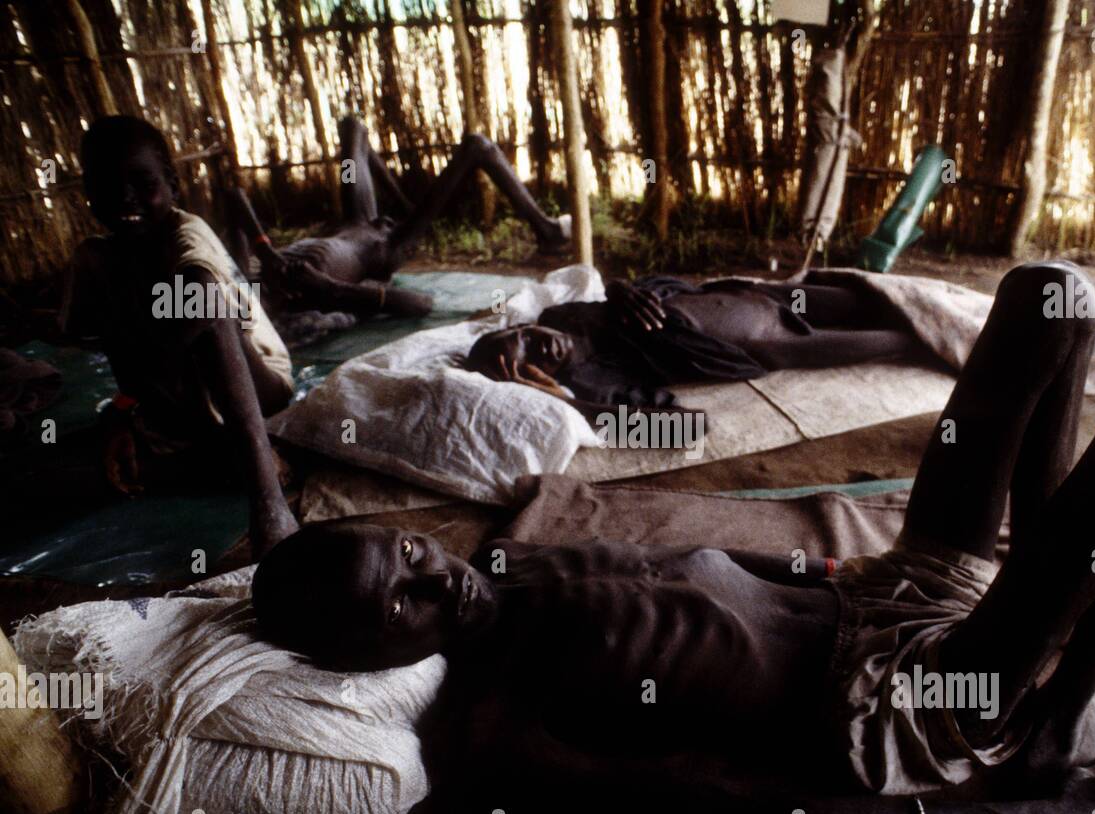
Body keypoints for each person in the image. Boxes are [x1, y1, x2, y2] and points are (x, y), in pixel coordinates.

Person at [253, 262, 1095, 814]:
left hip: (888, 596)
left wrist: (840, 577)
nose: (437, 572)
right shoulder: (491, 727)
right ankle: (1055, 679)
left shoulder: (514, 568)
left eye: (408, 553)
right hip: (910, 705)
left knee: (1046, 298)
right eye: (402, 601)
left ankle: (1057, 608)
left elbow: (727, 573)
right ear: (362, 656)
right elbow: (734, 812)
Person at [52, 115, 298, 557]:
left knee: (202, 307)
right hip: (179, 392)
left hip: (256, 383)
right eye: (107, 185)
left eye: (142, 181)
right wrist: (125, 413)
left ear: (171, 184)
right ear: (89, 196)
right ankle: (223, 458)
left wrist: (133, 397)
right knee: (80, 474)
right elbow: (98, 338)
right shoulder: (99, 257)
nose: (125, 196)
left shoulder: (186, 232)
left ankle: (267, 496)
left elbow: (201, 302)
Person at [228, 116, 571, 347]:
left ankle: (402, 201)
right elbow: (420, 304)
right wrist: (328, 287)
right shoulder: (308, 300)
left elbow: (234, 197)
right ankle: (548, 230)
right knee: (476, 146)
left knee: (351, 128)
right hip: (384, 247)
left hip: (354, 220)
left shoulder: (247, 277)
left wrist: (265, 252)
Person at [462, 275, 915, 415]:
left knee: (891, 299)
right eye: (528, 361)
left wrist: (623, 291)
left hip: (752, 294)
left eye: (523, 337)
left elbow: (610, 286)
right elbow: (680, 428)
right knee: (908, 337)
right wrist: (562, 402)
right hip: (777, 343)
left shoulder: (557, 316)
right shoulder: (589, 382)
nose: (540, 346)